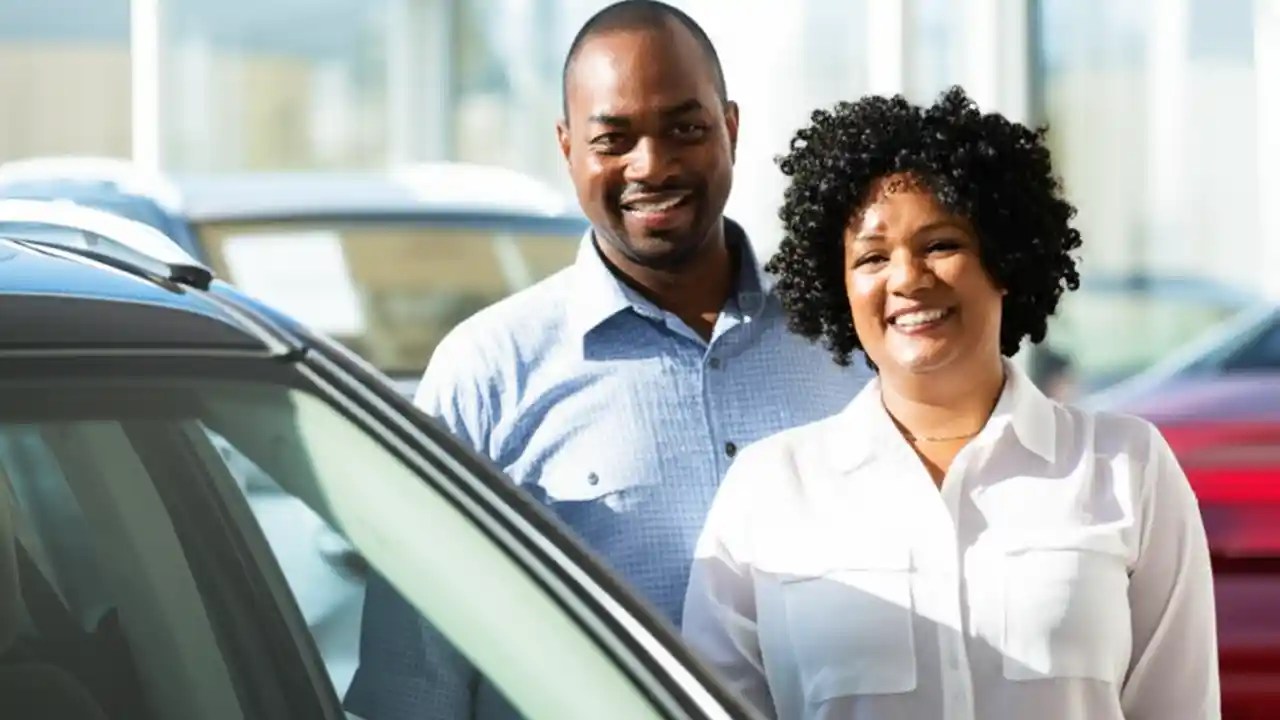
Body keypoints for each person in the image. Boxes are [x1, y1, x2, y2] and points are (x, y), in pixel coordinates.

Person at [344, 2, 867, 718]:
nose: (651, 166)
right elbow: (414, 682)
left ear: (732, 129)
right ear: (567, 149)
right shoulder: (487, 375)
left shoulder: (850, 338)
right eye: (613, 139)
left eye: (685, 129)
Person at [681, 87, 1219, 720]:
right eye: (873, 256)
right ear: (838, 285)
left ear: (1006, 260)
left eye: (941, 244)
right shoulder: (768, 490)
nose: (908, 278)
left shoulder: (1127, 468)